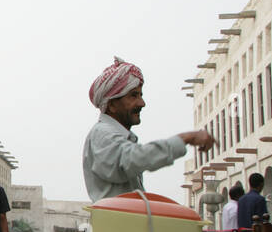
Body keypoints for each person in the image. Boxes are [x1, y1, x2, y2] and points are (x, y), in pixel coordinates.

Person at [82, 57, 215, 202]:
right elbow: (132, 159)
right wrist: (185, 138)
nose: (142, 103)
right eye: (133, 95)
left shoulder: (114, 136)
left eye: (141, 95)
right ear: (112, 105)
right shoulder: (103, 134)